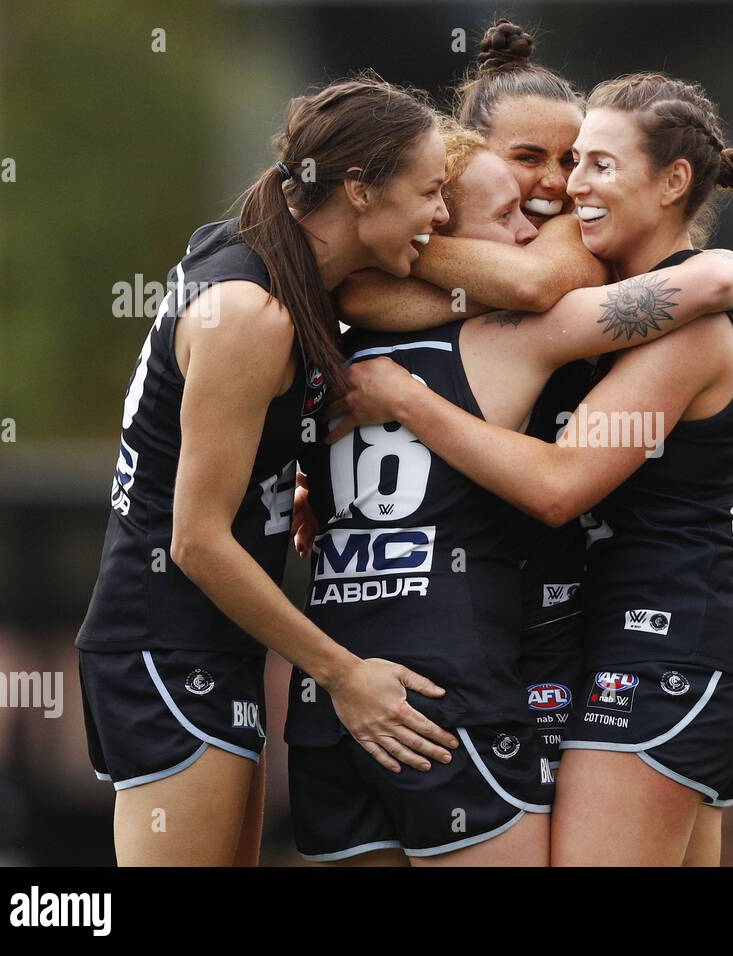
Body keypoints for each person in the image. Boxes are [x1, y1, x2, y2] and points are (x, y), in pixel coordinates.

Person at [329, 73, 733, 867]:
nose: (570, 185)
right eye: (564, 164)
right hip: (600, 648)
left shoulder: (680, 321)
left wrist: (404, 400)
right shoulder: (577, 289)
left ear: (674, 181)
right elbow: (380, 296)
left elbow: (557, 486)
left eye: (595, 163)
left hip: (661, 648)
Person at [75, 73, 458, 866]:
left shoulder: (259, 256)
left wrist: (291, 483)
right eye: (429, 192)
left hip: (206, 643)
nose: (441, 216)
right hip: (168, 641)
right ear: (357, 188)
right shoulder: (252, 311)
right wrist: (343, 674)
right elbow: (196, 540)